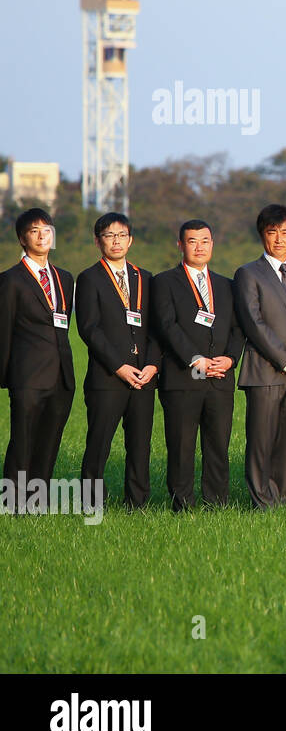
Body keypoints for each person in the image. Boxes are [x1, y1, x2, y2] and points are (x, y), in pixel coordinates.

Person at [152, 219, 245, 510]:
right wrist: (196, 359)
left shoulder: (226, 285)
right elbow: (168, 326)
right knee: (181, 446)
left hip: (220, 377)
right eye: (192, 241)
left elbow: (237, 328)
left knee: (218, 445)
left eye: (205, 241)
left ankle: (217, 503)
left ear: (212, 244)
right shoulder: (164, 282)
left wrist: (230, 359)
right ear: (180, 245)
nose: (199, 247)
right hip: (182, 377)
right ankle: (183, 504)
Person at [234, 204, 286, 510]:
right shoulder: (248, 274)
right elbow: (253, 324)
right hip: (265, 371)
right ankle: (261, 501)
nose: (279, 239)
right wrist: (285, 359)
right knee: (261, 440)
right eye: (273, 233)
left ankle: (284, 498)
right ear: (262, 236)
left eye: (285, 232)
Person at [76, 212, 160, 509]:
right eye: (109, 235)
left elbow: (156, 328)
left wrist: (152, 365)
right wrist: (118, 366)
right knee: (99, 444)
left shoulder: (145, 278)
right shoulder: (89, 278)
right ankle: (90, 504)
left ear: (131, 240)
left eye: (121, 235)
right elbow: (89, 328)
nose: (116, 241)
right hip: (108, 377)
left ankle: (137, 503)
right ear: (98, 241)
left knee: (139, 445)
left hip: (144, 377)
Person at [0, 208, 75, 498]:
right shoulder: (11, 280)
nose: (42, 235)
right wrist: (6, 377)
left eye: (47, 230)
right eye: (34, 231)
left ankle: (37, 500)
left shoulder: (65, 278)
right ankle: (13, 500)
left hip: (61, 376)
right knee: (23, 441)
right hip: (27, 376)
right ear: (22, 238)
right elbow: (4, 330)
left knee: (49, 442)